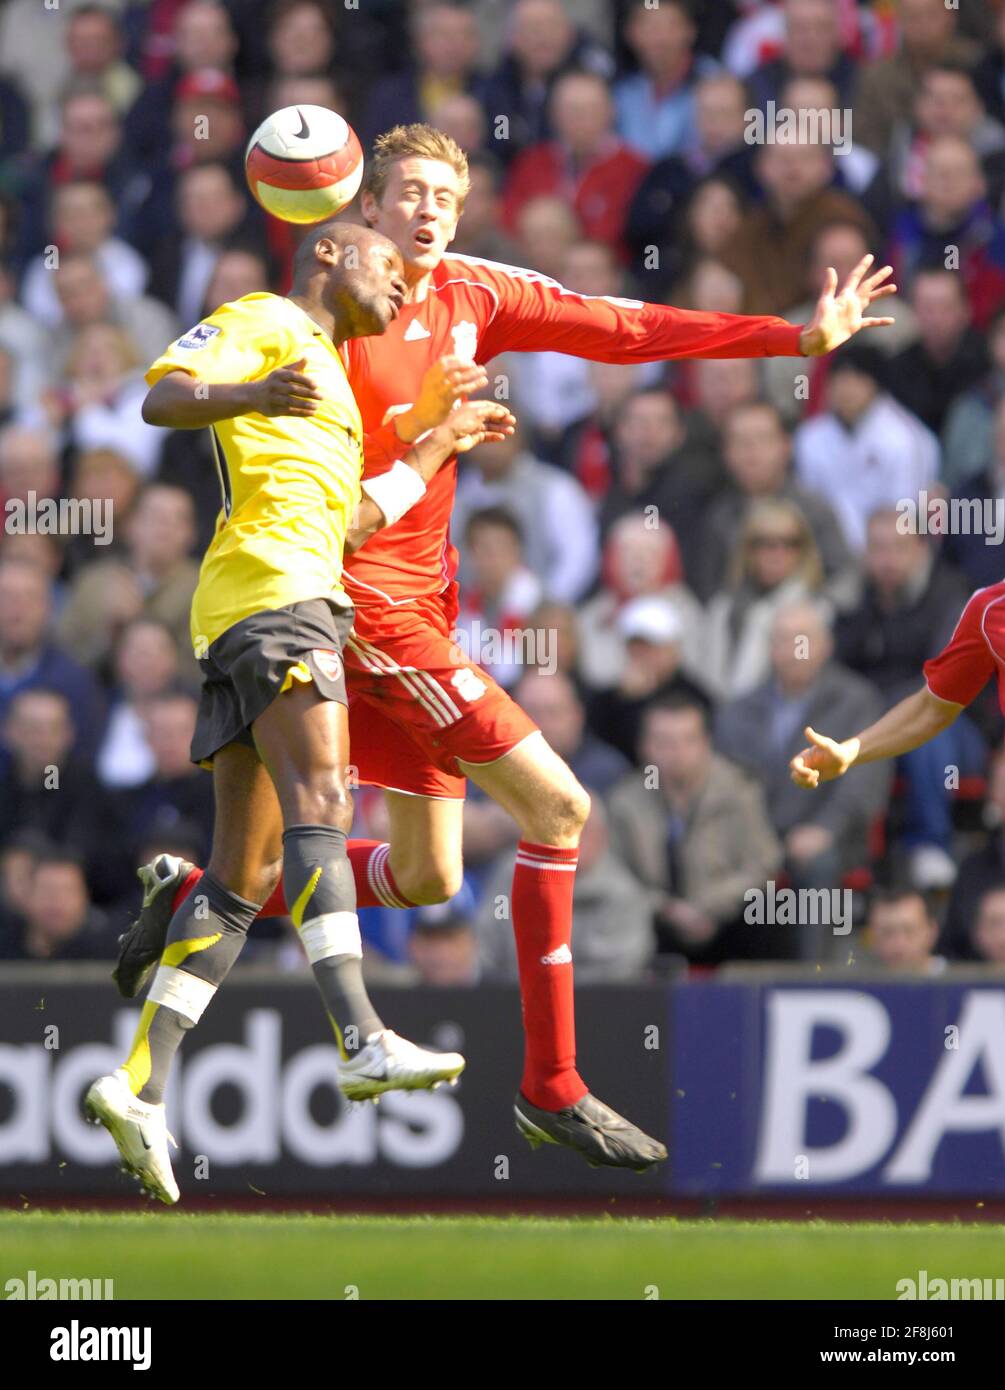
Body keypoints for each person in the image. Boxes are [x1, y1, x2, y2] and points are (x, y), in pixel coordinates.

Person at [121, 121, 893, 1175]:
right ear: (363, 205)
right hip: (352, 606)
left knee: (431, 872)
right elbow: (314, 488)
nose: (431, 210)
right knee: (561, 806)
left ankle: (210, 890)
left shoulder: (477, 293)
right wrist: (422, 431)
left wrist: (790, 338)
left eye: (448, 193)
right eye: (411, 194)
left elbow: (624, 325)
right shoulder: (330, 312)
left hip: (419, 611)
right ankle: (552, 1085)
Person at [86, 218, 515, 1205]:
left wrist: (440, 440)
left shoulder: (332, 385)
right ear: (328, 253)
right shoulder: (269, 319)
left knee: (245, 875)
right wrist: (251, 390)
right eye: (387, 264)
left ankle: (138, 1081)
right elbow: (162, 396)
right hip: (274, 603)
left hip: (267, 601)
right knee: (327, 795)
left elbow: (352, 519)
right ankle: (361, 1033)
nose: (403, 285)